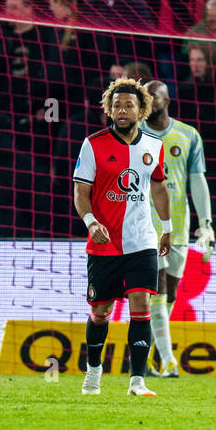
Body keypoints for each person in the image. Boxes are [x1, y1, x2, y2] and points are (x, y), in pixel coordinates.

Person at [72, 76, 172, 397]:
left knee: (141, 301)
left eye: (129, 105)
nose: (122, 110)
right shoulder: (93, 144)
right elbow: (80, 191)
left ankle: (137, 380)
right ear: (109, 110)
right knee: (100, 311)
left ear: (141, 109)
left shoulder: (153, 146)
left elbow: (158, 185)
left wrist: (167, 228)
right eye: (116, 105)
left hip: (141, 240)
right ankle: (94, 371)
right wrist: (90, 222)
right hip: (104, 243)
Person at [137, 81, 213, 378]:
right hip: (146, 227)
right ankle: (169, 361)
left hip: (179, 228)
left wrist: (206, 225)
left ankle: (146, 358)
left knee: (169, 296)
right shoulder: (134, 134)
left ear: (167, 100)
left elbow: (197, 180)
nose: (148, 101)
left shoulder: (188, 135)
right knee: (156, 292)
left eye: (153, 96)